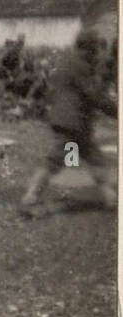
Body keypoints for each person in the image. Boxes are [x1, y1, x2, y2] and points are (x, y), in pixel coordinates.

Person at [20, 30, 117, 213]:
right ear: (88, 48)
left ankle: (111, 198)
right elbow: (94, 94)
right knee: (58, 160)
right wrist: (115, 110)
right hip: (74, 123)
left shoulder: (65, 62)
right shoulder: (81, 66)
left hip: (67, 121)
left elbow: (53, 91)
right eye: (95, 48)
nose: (96, 52)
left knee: (90, 158)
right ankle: (30, 195)